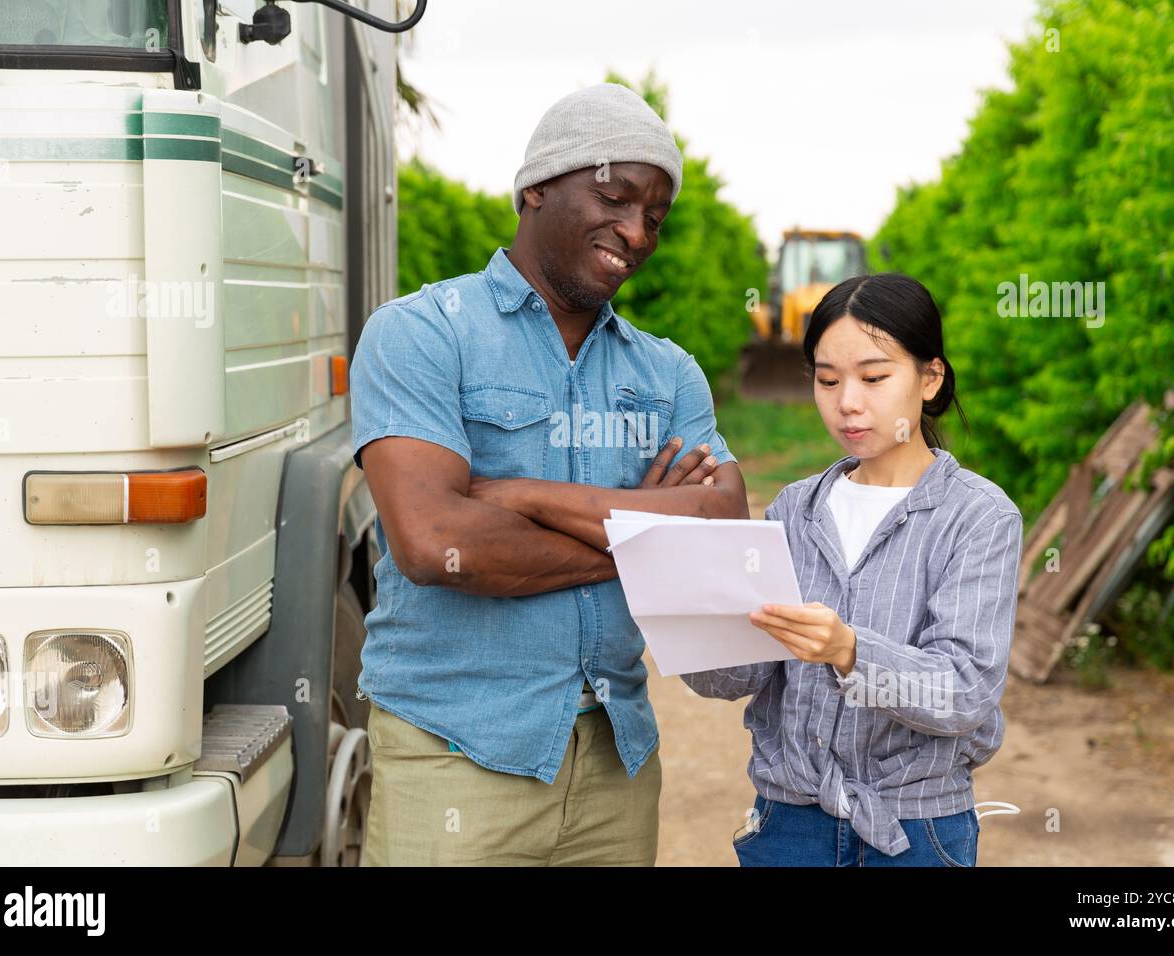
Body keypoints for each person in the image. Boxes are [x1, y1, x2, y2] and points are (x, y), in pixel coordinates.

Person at [350, 82, 749, 866]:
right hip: (457, 754)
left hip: (615, 763)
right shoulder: (422, 335)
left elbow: (727, 528)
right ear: (537, 185)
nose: (635, 232)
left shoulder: (668, 374)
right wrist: (647, 530)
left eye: (655, 218)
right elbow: (433, 545)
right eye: (616, 198)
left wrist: (524, 499)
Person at [683, 272, 1023, 867]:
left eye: (873, 377)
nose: (847, 403)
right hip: (787, 827)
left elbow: (966, 691)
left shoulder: (978, 516)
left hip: (919, 832)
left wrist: (849, 651)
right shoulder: (793, 509)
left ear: (930, 378)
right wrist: (687, 607)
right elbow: (738, 676)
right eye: (827, 380)